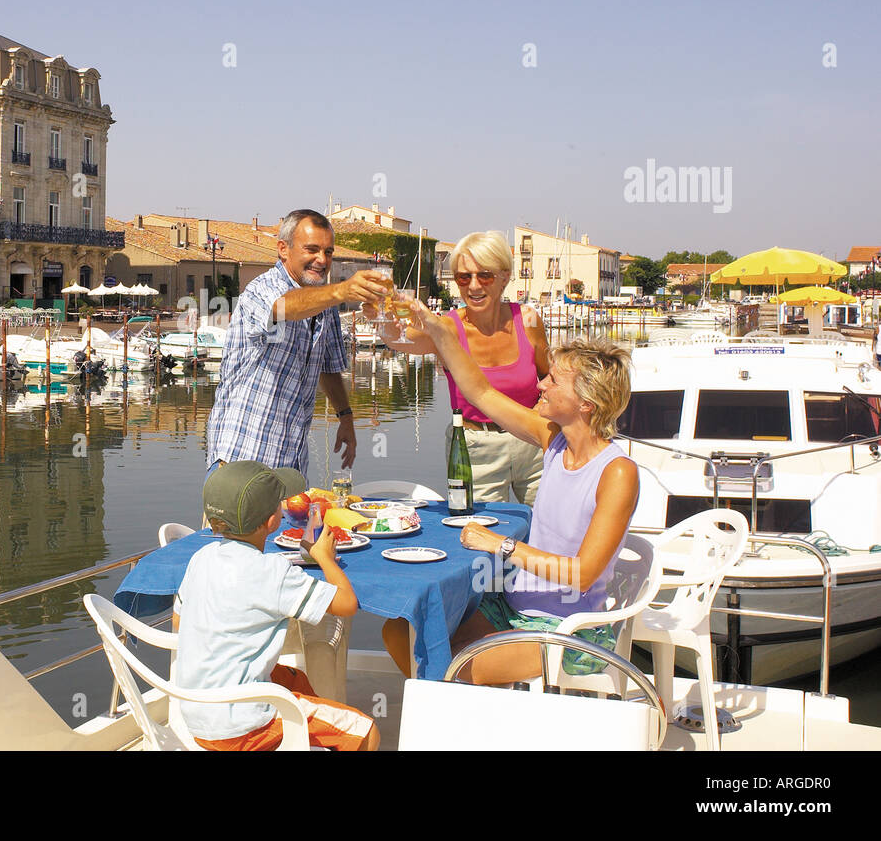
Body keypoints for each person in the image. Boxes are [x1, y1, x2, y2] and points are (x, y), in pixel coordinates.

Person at [383, 309, 638, 684]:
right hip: (513, 605)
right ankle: (466, 713)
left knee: (445, 667)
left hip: (567, 629)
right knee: (401, 630)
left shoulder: (617, 472)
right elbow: (481, 391)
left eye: (553, 380)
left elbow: (583, 575)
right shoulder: (554, 441)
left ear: (586, 403)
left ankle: (461, 716)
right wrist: (440, 332)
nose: (540, 385)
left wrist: (502, 546)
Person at [172, 461, 379, 751]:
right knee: (367, 732)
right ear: (272, 521)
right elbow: (347, 604)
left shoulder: (201, 558)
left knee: (294, 679)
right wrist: (325, 558)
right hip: (243, 727)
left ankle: (305, 738)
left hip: (197, 713)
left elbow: (179, 623)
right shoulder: (272, 571)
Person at [205, 209, 391, 483]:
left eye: (328, 252)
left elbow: (328, 367)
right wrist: (340, 291)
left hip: (290, 463)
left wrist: (346, 418)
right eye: (312, 249)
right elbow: (284, 307)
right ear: (283, 249)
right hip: (240, 458)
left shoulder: (323, 304)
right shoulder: (261, 289)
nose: (322, 260)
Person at [366, 231, 550, 506]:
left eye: (484, 275)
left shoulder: (528, 320)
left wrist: (541, 415)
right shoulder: (447, 329)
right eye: (464, 277)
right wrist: (379, 316)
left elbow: (550, 377)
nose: (474, 286)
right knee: (485, 532)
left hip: (533, 442)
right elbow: (400, 341)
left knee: (546, 527)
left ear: (504, 276)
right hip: (476, 448)